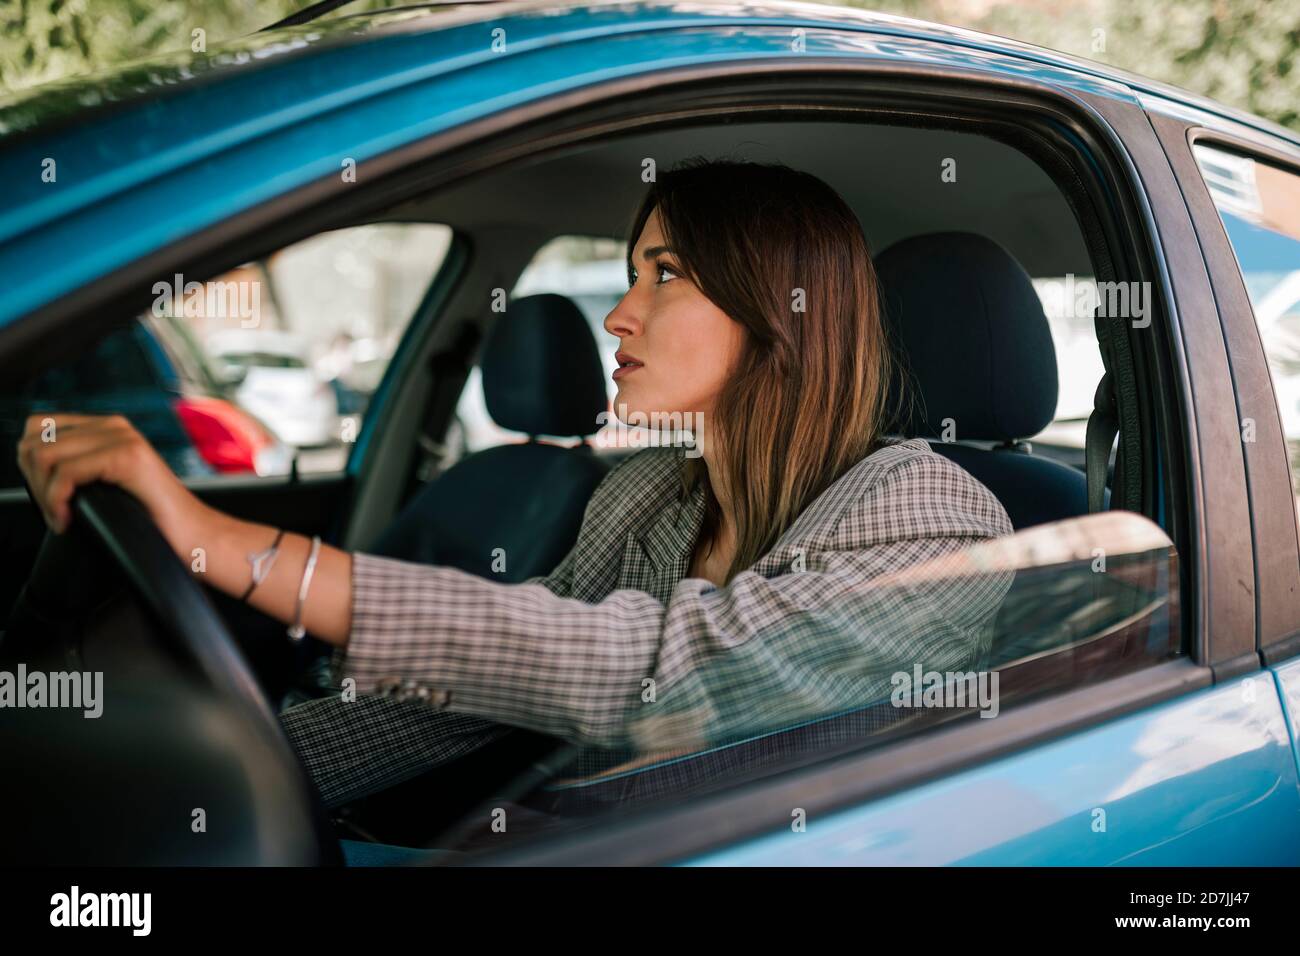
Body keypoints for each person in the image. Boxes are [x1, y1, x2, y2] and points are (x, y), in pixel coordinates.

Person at [18, 158, 1014, 850]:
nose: (619, 313)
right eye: (629, 274)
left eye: (664, 274)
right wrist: (241, 775)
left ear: (781, 305)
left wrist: (228, 545)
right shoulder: (643, 498)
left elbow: (649, 670)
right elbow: (492, 692)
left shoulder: (938, 517)